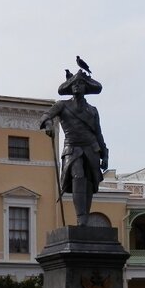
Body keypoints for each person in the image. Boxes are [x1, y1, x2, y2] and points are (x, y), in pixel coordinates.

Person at [40, 68, 109, 227]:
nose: (77, 86)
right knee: (78, 177)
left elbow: (98, 133)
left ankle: (85, 218)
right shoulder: (62, 105)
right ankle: (81, 218)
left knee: (89, 184)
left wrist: (105, 154)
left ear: (85, 87)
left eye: (80, 83)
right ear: (70, 87)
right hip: (72, 149)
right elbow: (45, 116)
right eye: (74, 83)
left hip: (92, 149)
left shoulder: (92, 110)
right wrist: (49, 125)